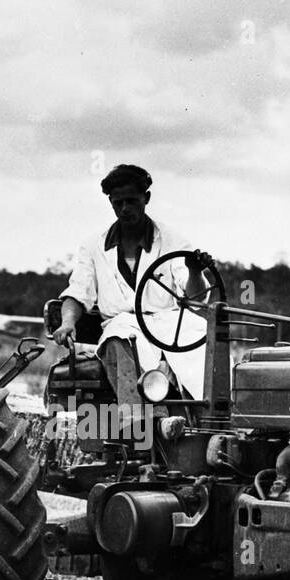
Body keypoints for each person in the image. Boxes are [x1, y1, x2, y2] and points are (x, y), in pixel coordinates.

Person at [52, 164, 216, 402]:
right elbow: (78, 292)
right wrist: (67, 322)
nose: (125, 209)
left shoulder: (173, 240)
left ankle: (213, 422)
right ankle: (144, 423)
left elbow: (195, 297)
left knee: (207, 345)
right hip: (124, 325)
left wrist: (194, 271)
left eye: (131, 201)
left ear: (146, 198)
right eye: (118, 203)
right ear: (110, 202)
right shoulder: (93, 246)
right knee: (116, 341)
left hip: (170, 324)